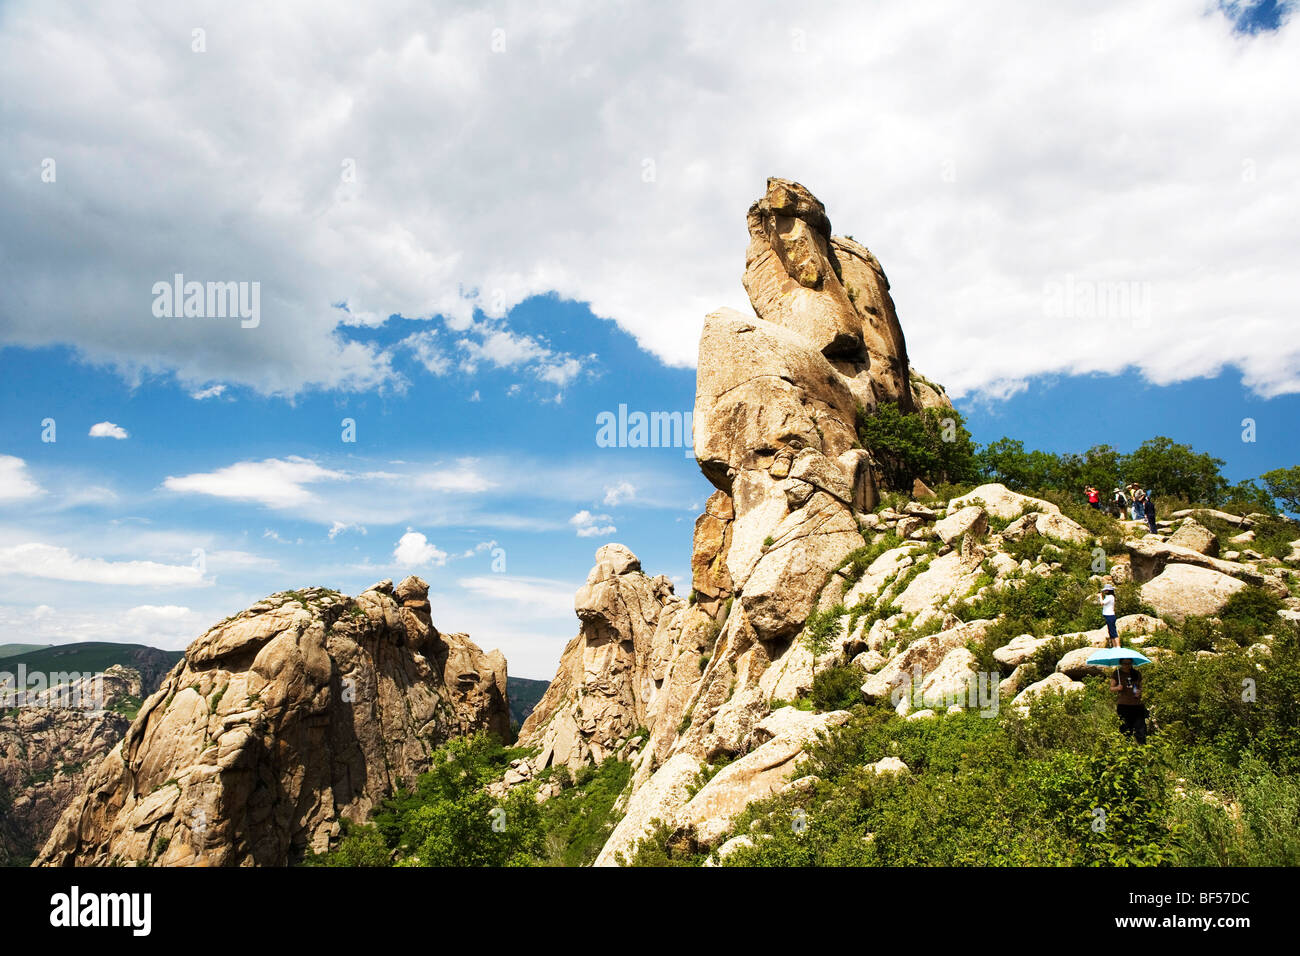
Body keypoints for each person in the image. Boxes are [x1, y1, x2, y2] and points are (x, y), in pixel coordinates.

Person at [1110, 658, 1147, 744]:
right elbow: (1111, 688)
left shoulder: (1136, 673)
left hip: (1137, 705)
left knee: (1140, 730)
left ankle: (1143, 750)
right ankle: (1126, 749)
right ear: (1121, 663)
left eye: (1129, 663)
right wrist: (1117, 688)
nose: (1127, 665)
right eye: (1125, 663)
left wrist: (1139, 692)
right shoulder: (1117, 673)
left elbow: (1141, 687)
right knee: (1125, 729)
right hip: (1124, 705)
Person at [1101, 583, 1119, 647]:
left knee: (1113, 631)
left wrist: (1100, 596)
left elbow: (1102, 603)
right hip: (1108, 616)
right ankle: (1114, 646)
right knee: (1111, 632)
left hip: (1110, 616)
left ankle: (1118, 646)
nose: (1104, 591)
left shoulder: (1110, 597)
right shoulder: (1109, 597)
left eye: (1106, 590)